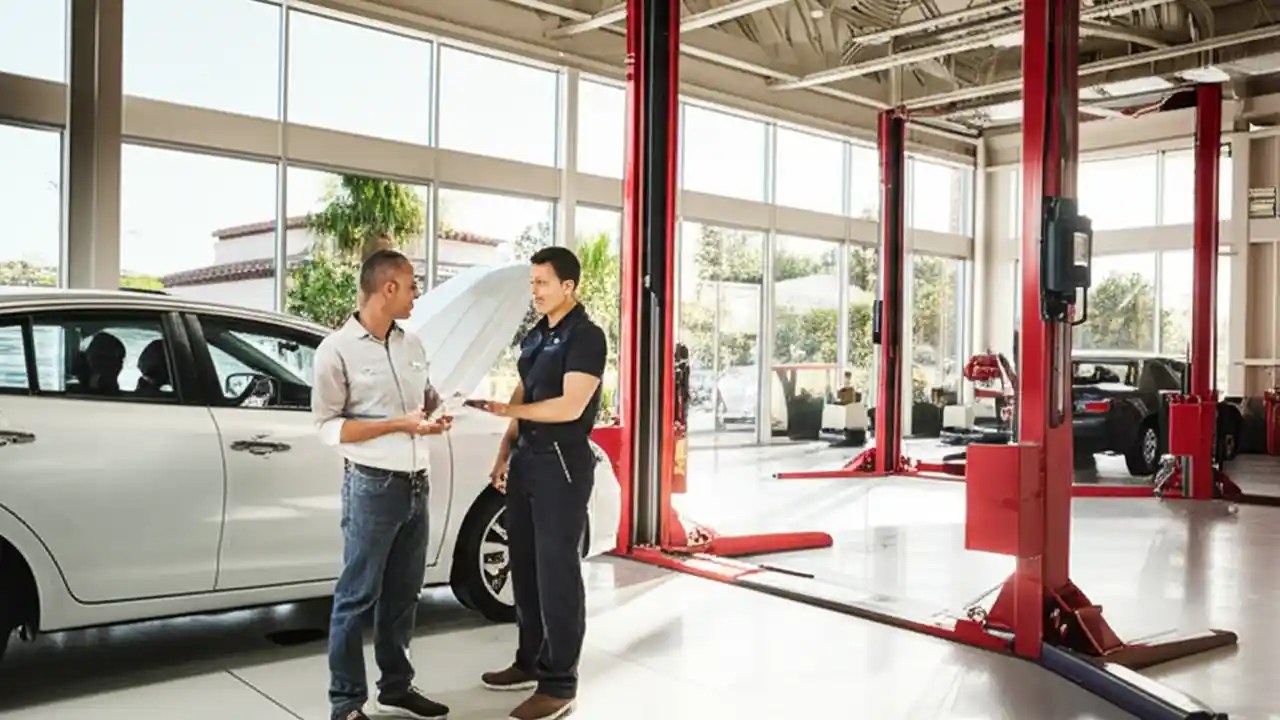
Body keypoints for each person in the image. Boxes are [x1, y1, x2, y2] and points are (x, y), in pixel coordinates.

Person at [312, 249, 452, 720]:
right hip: (372, 486)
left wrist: (435, 415)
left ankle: (397, 686)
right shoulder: (335, 350)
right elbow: (330, 427)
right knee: (356, 597)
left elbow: (425, 400)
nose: (416, 294)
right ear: (387, 288)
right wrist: (397, 425)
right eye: (412, 285)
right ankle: (346, 703)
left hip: (418, 485)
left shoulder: (413, 344)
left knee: (404, 594)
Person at [472, 246, 607, 720]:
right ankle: (529, 661)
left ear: (568, 286)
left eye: (542, 283)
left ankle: (559, 683)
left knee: (557, 576)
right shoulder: (537, 335)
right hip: (528, 460)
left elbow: (571, 406)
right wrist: (504, 450)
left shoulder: (586, 337)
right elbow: (523, 389)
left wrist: (509, 413)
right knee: (524, 569)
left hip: (561, 465)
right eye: (532, 283)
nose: (535, 291)